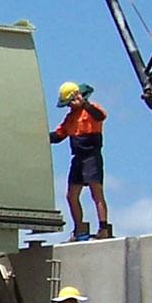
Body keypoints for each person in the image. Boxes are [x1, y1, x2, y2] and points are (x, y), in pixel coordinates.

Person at [49, 81, 111, 241]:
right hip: (78, 158)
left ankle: (103, 228)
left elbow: (101, 115)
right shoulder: (70, 118)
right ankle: (79, 229)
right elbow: (58, 136)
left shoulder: (91, 110)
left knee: (96, 192)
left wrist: (85, 104)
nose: (70, 106)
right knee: (71, 195)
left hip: (92, 156)